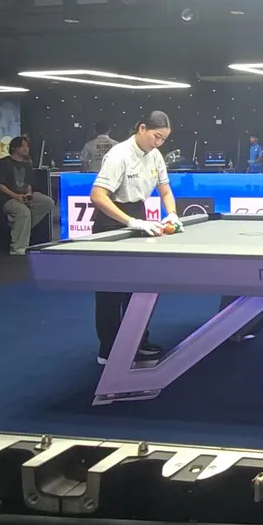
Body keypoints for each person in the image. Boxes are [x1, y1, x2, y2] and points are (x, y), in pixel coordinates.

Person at [89, 111, 182, 365]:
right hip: (111, 221)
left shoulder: (155, 155)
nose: (158, 143)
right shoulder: (118, 154)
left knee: (138, 285)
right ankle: (108, 350)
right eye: (156, 136)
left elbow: (165, 191)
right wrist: (130, 222)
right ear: (142, 128)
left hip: (138, 215)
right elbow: (97, 196)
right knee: (110, 291)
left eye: (163, 139)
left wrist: (172, 214)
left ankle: (137, 341)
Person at [0, 136, 55, 255]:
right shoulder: (3, 163)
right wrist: (16, 196)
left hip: (23, 195)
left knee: (47, 202)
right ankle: (18, 247)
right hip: (6, 198)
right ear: (14, 148)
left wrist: (28, 194)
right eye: (23, 146)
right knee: (23, 212)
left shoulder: (27, 165)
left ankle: (19, 226)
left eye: (27, 146)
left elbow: (28, 184)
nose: (26, 149)